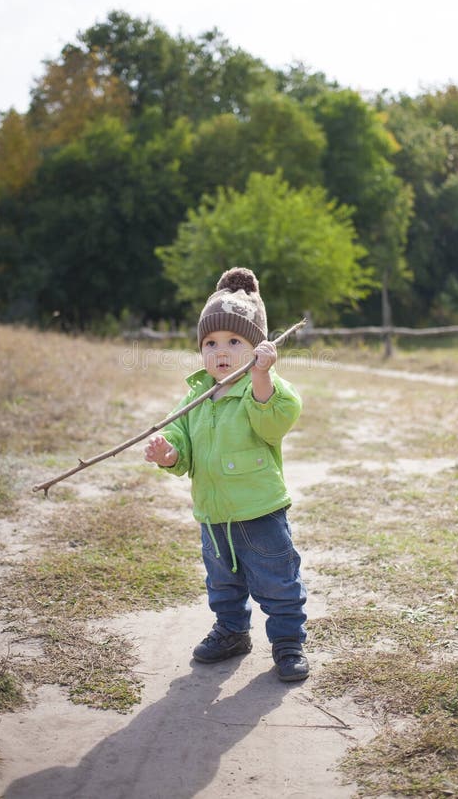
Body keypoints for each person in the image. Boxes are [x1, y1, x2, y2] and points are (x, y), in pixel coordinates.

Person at [144, 267, 309, 682]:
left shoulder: (261, 387)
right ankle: (232, 631)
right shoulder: (195, 397)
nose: (222, 350)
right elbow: (179, 437)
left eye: (235, 341)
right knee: (223, 584)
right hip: (214, 515)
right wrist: (168, 453)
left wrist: (261, 377)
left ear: (258, 347)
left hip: (261, 513)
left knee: (278, 582)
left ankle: (288, 643)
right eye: (211, 343)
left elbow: (275, 421)